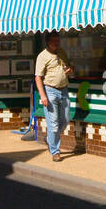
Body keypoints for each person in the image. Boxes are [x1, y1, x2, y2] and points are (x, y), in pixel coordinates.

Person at [33, 33, 74, 161]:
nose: (56, 43)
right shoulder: (42, 56)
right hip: (50, 90)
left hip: (64, 90)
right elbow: (38, 77)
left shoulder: (61, 52)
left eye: (58, 41)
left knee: (66, 119)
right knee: (54, 123)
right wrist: (42, 95)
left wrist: (70, 69)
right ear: (47, 42)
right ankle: (55, 151)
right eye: (53, 41)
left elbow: (69, 66)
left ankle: (50, 139)